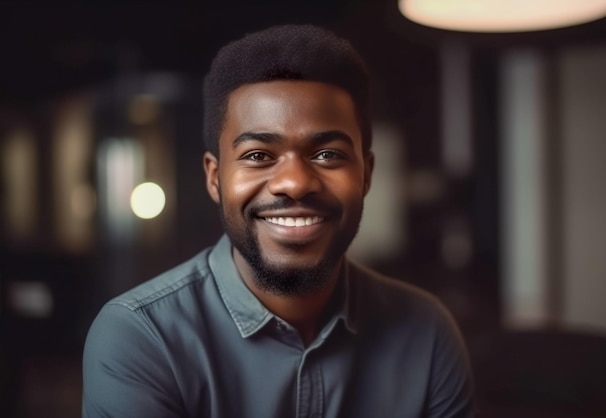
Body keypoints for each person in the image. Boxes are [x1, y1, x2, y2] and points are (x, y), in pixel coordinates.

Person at [82, 24, 474, 418]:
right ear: (215, 178)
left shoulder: (427, 333)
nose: (295, 183)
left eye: (327, 154)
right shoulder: (141, 337)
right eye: (258, 156)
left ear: (366, 175)